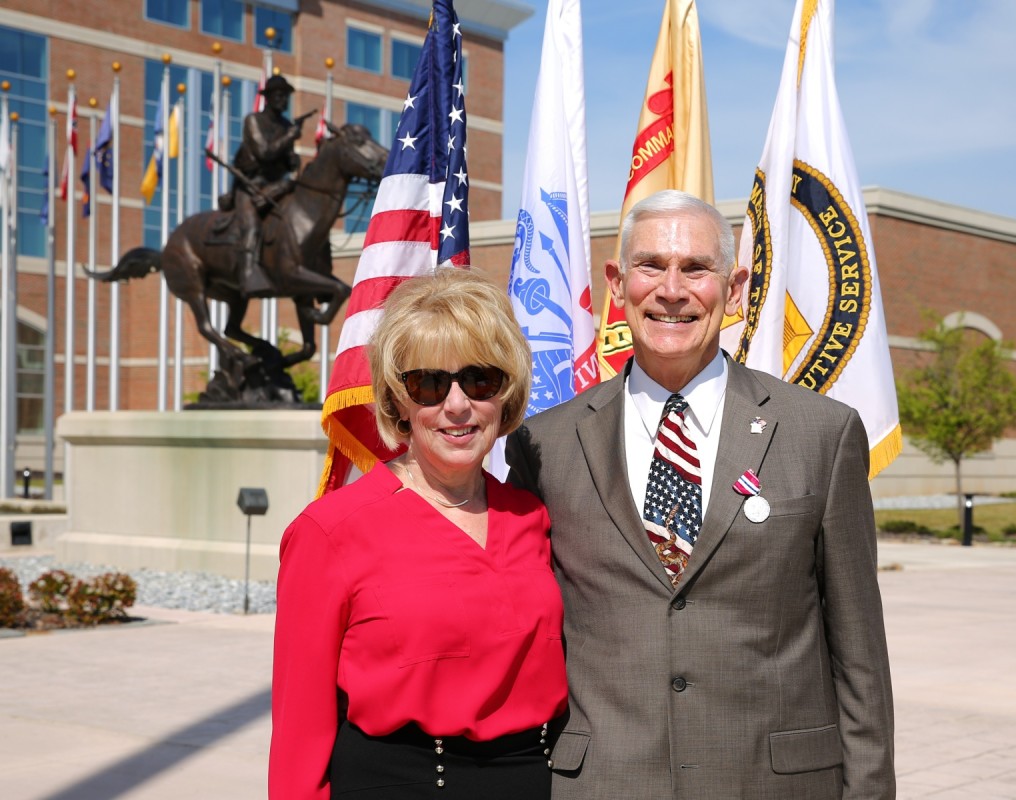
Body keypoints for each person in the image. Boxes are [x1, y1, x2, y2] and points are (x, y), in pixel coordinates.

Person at [506, 190, 896, 799]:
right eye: (650, 266)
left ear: (734, 290)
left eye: (696, 269)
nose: (671, 290)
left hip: (773, 785)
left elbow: (859, 655)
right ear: (616, 285)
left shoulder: (823, 433)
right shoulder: (544, 445)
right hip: (602, 784)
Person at [271, 268, 567, 799]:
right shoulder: (329, 533)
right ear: (398, 402)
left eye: (480, 380)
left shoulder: (534, 516)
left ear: (507, 392)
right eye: (428, 384)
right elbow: (299, 735)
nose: (456, 405)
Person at [229, 74, 303, 298]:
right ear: (268, 98)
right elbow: (264, 151)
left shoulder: (286, 125)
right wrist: (290, 136)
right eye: (279, 95)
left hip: (278, 186)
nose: (284, 100)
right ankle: (249, 271)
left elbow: (288, 162)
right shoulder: (253, 120)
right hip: (251, 186)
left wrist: (293, 159)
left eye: (286, 96)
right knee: (251, 226)